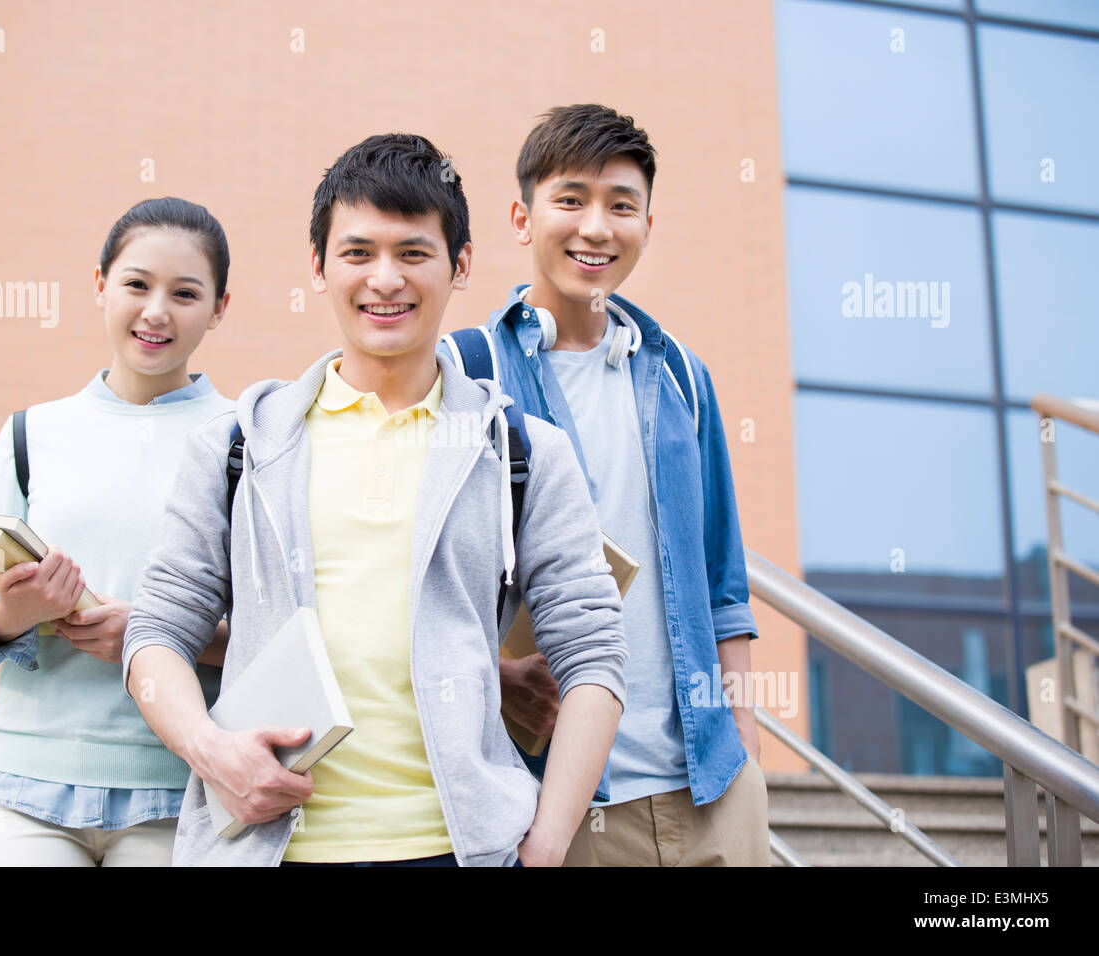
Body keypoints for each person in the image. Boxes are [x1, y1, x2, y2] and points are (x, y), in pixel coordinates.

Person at [122, 133, 628, 867]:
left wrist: (546, 845)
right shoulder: (236, 446)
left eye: (413, 253)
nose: (384, 279)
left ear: (460, 266)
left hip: (457, 851)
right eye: (358, 253)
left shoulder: (525, 454)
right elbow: (159, 629)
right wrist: (212, 752)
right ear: (320, 269)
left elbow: (595, 654)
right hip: (270, 850)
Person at [442, 104, 770, 866]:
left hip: (712, 788)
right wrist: (490, 673)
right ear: (522, 218)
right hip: (551, 798)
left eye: (621, 205)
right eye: (572, 200)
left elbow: (723, 578)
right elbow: (408, 579)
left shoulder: (683, 376)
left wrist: (742, 732)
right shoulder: (467, 374)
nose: (597, 227)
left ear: (647, 225)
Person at [0, 197, 235, 866]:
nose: (157, 310)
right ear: (100, 286)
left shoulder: (244, 440)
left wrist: (159, 635)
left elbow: (276, 629)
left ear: (218, 309)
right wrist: (13, 611)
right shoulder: (30, 434)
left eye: (185, 293)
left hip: (179, 787)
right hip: (25, 790)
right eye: (136, 284)